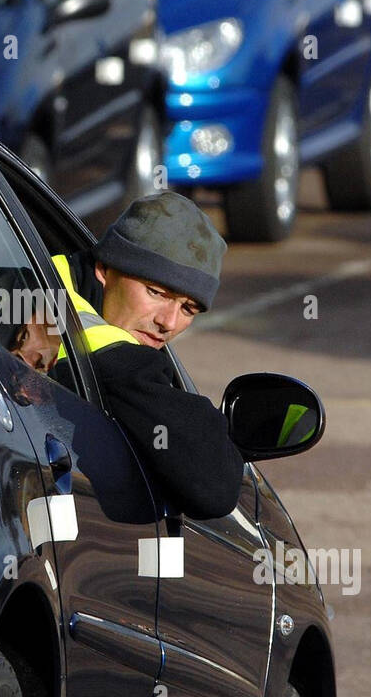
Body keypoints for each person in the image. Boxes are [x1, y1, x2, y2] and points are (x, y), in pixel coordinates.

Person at [51, 192, 244, 520]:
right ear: (103, 268)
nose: (168, 322)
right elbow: (214, 489)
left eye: (188, 308)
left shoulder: (41, 271)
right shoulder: (101, 347)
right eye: (156, 293)